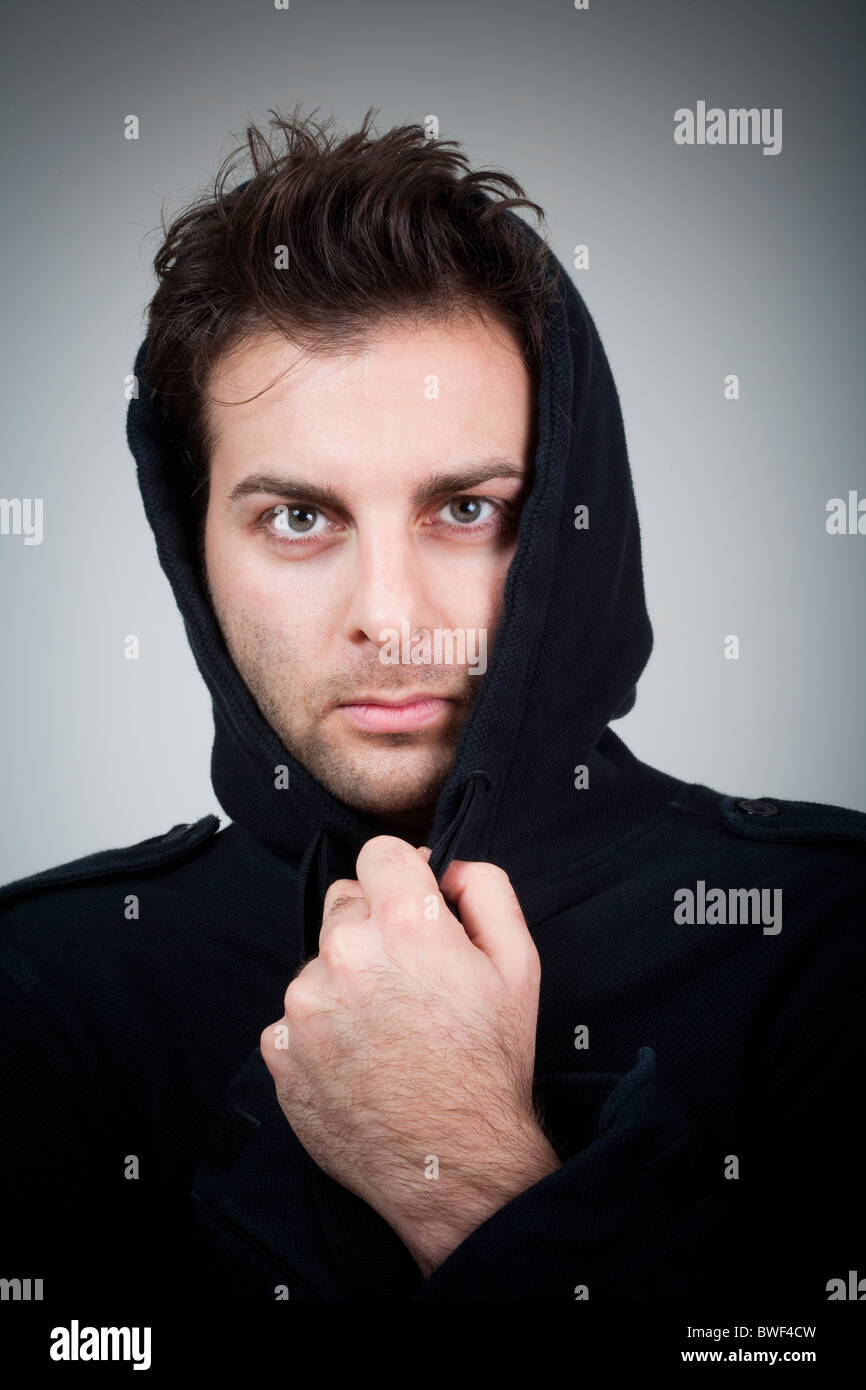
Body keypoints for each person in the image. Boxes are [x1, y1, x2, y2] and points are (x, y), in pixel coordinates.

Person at [1, 106, 863, 1305]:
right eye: (299, 519)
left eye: (465, 510)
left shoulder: (826, 940)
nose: (393, 617)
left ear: (573, 513)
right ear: (191, 553)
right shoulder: (44, 988)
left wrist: (466, 1178)